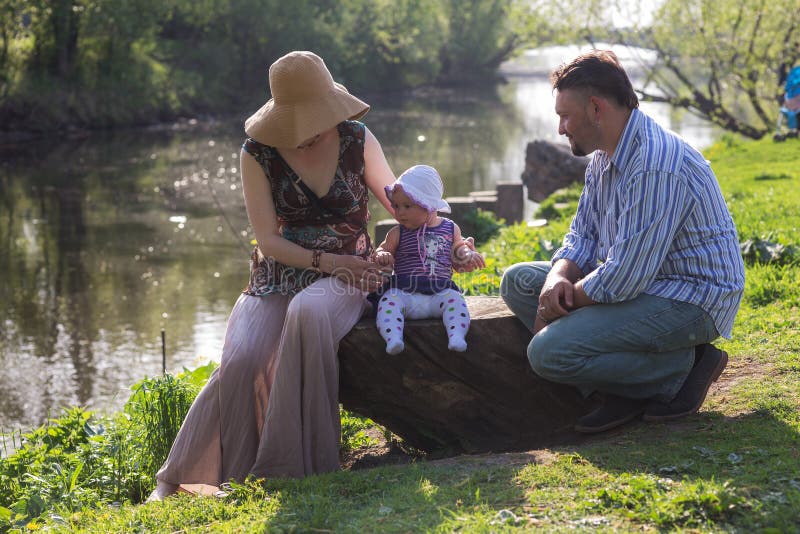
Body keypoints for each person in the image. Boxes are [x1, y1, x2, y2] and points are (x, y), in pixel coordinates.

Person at [147, 50, 400, 501]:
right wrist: (325, 261)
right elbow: (268, 240)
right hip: (278, 275)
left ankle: (289, 468)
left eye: (312, 123)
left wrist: (432, 237)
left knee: (309, 311)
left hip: (349, 275)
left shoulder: (356, 138)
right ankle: (186, 477)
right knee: (242, 358)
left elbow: (401, 204)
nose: (303, 135)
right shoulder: (257, 154)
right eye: (294, 125)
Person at [501, 50, 745, 434]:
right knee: (519, 281)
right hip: (644, 284)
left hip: (690, 298)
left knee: (547, 353)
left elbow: (625, 277)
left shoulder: (653, 164)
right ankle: (628, 386)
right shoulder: (604, 154)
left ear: (596, 108)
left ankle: (682, 368)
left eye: (565, 116)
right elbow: (583, 233)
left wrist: (555, 307)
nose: (561, 128)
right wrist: (556, 280)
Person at [370, 165, 485, 355]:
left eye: (407, 206)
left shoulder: (450, 228)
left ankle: (456, 336)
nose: (400, 213)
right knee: (388, 302)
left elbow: (459, 248)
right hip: (405, 293)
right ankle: (393, 339)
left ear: (429, 204)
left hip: (439, 293)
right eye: (396, 206)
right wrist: (382, 255)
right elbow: (382, 249)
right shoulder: (397, 232)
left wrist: (467, 254)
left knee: (456, 301)